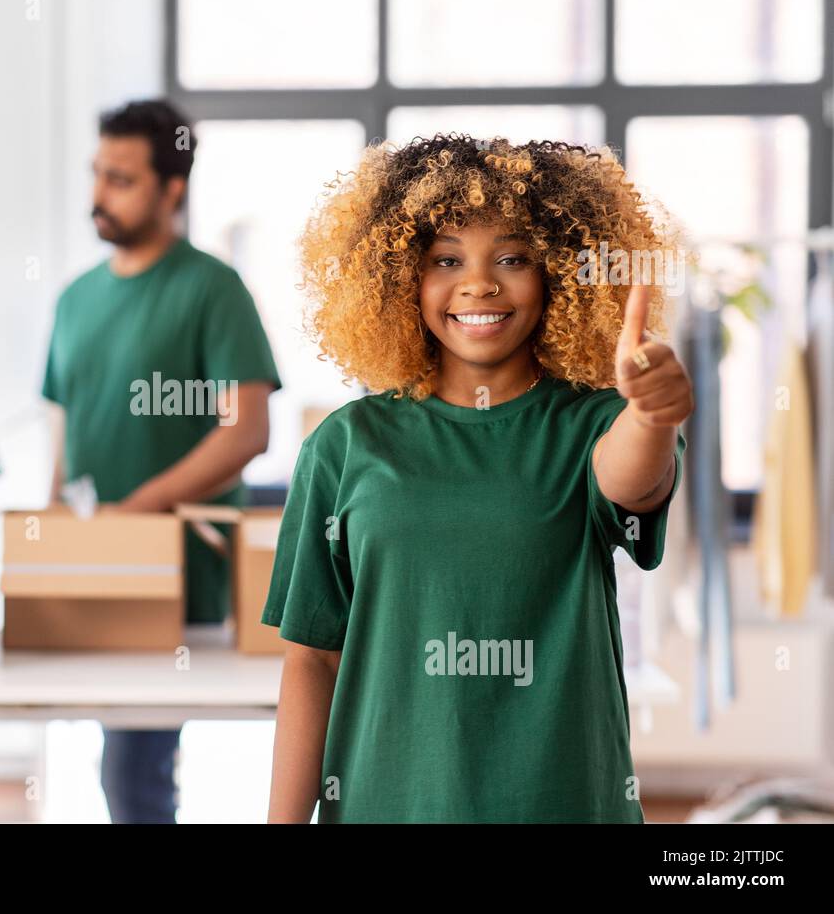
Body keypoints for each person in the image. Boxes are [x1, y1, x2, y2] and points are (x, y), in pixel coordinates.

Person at [264, 135, 692, 823]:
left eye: (513, 258)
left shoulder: (595, 425)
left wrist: (652, 414)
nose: (480, 283)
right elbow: (312, 660)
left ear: (557, 273)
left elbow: (633, 483)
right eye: (447, 260)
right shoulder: (345, 445)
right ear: (401, 277)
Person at [42, 100, 282, 823]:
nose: (98, 196)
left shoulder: (213, 289)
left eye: (121, 179)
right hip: (92, 568)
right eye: (97, 174)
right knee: (123, 768)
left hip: (185, 580)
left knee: (134, 774)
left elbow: (247, 432)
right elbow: (66, 429)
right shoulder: (75, 299)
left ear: (172, 189)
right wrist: (51, 532)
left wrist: (136, 513)